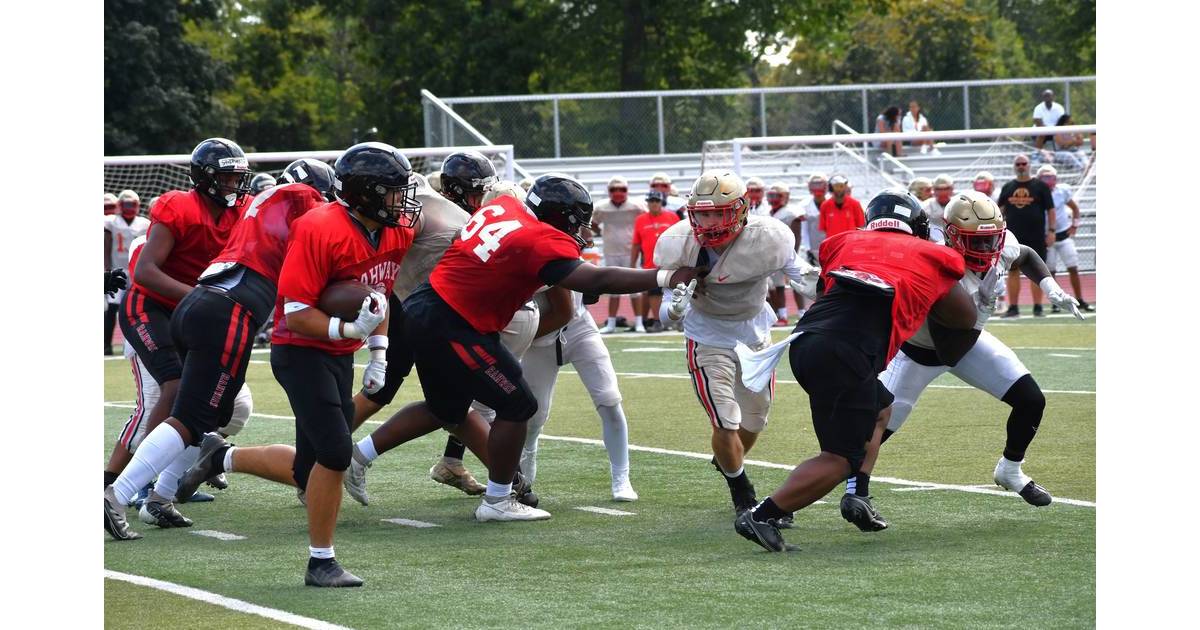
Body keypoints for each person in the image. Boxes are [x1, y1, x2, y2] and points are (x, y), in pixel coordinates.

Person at [333, 173, 704, 525]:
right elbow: (595, 278)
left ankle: (358, 455)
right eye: (578, 221)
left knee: (446, 408)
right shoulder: (539, 237)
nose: (582, 230)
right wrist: (665, 276)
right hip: (454, 323)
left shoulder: (504, 208)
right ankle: (497, 500)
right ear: (559, 217)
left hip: (426, 309)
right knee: (518, 404)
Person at [174, 143, 420, 587]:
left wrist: (379, 351)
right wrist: (351, 333)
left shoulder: (395, 230)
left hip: (339, 355)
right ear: (364, 192)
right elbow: (297, 313)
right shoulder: (319, 226)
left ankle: (221, 457)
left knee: (308, 469)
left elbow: (379, 290)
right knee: (335, 451)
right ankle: (320, 562)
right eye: (390, 192)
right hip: (301, 351)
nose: (398, 202)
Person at [733, 189, 977, 552]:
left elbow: (824, 287)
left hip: (805, 342)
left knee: (881, 408)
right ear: (918, 228)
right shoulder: (934, 254)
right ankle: (763, 515)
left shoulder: (843, 242)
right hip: (847, 351)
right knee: (838, 459)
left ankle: (858, 494)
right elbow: (965, 318)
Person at [107, 159, 337, 536]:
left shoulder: (254, 209)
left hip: (210, 303)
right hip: (209, 309)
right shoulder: (301, 205)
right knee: (184, 409)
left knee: (216, 409)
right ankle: (118, 491)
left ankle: (159, 497)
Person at [840, 191, 1084, 531]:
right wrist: (982, 310)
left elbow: (1025, 254)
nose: (986, 251)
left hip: (966, 340)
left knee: (1031, 400)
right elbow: (949, 349)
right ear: (952, 235)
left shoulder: (998, 243)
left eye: (990, 241)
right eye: (976, 242)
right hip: (920, 352)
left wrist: (1050, 286)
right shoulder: (936, 262)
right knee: (873, 433)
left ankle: (1010, 470)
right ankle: (853, 491)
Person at [654, 170, 821, 519]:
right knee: (725, 420)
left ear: (741, 210)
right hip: (708, 335)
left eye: (718, 212)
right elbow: (666, 311)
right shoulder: (677, 242)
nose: (710, 222)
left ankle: (728, 459)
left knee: (755, 420)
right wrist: (675, 307)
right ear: (691, 212)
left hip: (755, 333)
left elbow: (802, 279)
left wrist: (831, 291)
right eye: (703, 213)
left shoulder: (769, 237)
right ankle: (741, 489)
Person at [102, 138, 252, 501]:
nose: (235, 186)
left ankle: (171, 474)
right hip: (150, 308)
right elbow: (148, 274)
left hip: (193, 310)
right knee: (172, 387)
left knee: (218, 399)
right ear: (206, 178)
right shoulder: (178, 207)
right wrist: (202, 298)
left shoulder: (239, 211)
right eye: (227, 178)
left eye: (238, 178)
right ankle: (135, 483)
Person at [347, 151, 489, 499]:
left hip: (426, 310)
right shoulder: (422, 207)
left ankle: (465, 467)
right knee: (390, 390)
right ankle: (318, 454)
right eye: (475, 192)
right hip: (408, 308)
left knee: (452, 400)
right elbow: (389, 248)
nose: (480, 201)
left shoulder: (441, 207)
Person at [998, 154, 1056, 317]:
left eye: (1024, 163)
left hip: (1036, 236)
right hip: (1013, 237)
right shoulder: (1008, 187)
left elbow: (1051, 210)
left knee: (1037, 271)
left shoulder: (1041, 187)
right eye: (1018, 164)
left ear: (1029, 165)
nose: (1021, 166)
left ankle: (1038, 307)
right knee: (1013, 270)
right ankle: (1013, 307)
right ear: (1014, 166)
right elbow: (999, 210)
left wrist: (1051, 231)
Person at [592, 175, 648, 333]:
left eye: (621, 189)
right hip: (611, 251)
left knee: (635, 286)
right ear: (609, 191)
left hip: (630, 251)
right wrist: (601, 232)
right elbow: (593, 223)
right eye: (614, 189)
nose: (617, 192)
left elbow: (645, 220)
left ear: (627, 190)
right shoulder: (602, 207)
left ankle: (638, 322)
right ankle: (611, 323)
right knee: (612, 287)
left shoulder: (636, 205)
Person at [1038, 165, 1093, 312]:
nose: (1048, 179)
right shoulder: (1036, 192)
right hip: (1046, 238)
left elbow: (1075, 208)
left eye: (1050, 176)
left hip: (1063, 235)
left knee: (1073, 268)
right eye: (1044, 176)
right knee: (1050, 272)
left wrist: (1074, 225)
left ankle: (1080, 299)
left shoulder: (1062, 191)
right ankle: (1056, 302)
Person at [104, 189, 150, 355]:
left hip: (137, 270)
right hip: (118, 269)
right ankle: (106, 345)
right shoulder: (111, 221)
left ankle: (131, 343)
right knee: (112, 308)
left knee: (135, 308)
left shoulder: (144, 224)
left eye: (132, 204)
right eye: (126, 204)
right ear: (120, 205)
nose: (129, 208)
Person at [631, 190, 680, 333]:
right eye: (651, 201)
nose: (654, 204)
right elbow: (636, 244)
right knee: (654, 293)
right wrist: (632, 263)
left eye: (656, 201)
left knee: (676, 290)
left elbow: (681, 237)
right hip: (650, 263)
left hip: (671, 261)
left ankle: (678, 320)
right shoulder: (640, 219)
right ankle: (658, 321)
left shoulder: (672, 217)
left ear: (661, 202)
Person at [765, 182, 802, 326]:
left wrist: (793, 254)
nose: (773, 199)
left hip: (788, 253)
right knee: (777, 286)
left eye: (777, 195)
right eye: (771, 195)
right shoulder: (769, 213)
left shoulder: (791, 214)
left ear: (785, 196)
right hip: (774, 253)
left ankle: (802, 313)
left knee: (798, 284)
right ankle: (782, 315)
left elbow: (796, 236)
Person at [923, 174, 954, 241]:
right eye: (939, 189)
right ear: (934, 190)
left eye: (946, 189)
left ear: (952, 189)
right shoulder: (925, 206)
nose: (943, 192)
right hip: (932, 243)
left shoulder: (958, 204)